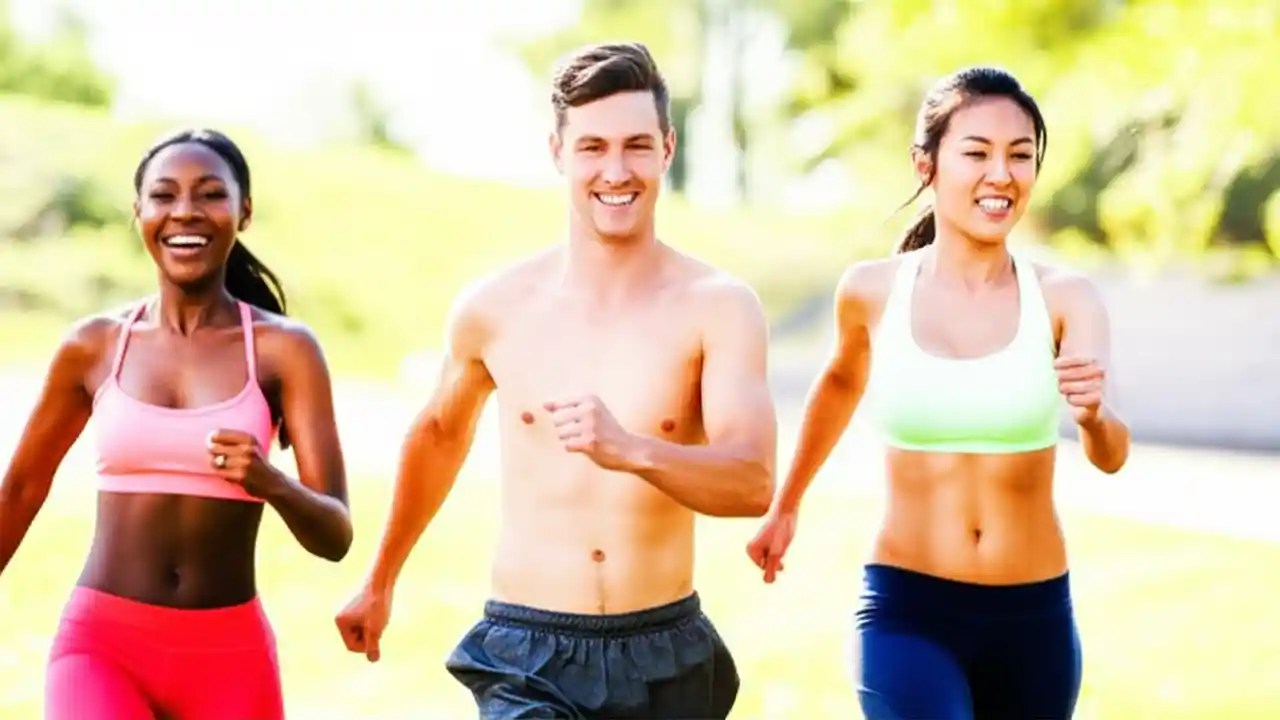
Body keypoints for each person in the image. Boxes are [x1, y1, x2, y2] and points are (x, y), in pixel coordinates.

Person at [334, 42, 775, 720]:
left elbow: (751, 483)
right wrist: (380, 579)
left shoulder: (719, 307)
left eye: (636, 146)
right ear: (557, 152)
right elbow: (439, 435)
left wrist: (634, 449)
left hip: (666, 647)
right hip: (527, 652)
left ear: (667, 148)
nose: (616, 171)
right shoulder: (495, 308)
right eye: (592, 147)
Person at [747, 66, 1131, 720]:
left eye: (1020, 156)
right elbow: (840, 382)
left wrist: (1093, 416)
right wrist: (786, 504)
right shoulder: (872, 290)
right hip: (907, 610)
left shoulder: (1067, 298)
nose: (1001, 175)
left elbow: (1112, 454)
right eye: (976, 153)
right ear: (925, 164)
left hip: (1032, 617)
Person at [0, 128, 352, 720]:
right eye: (163, 195)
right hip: (101, 648)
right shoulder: (94, 346)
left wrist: (269, 481)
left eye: (210, 194)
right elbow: (20, 490)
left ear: (244, 211)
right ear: (139, 212)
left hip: (230, 659)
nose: (185, 211)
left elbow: (335, 536)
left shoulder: (285, 350)